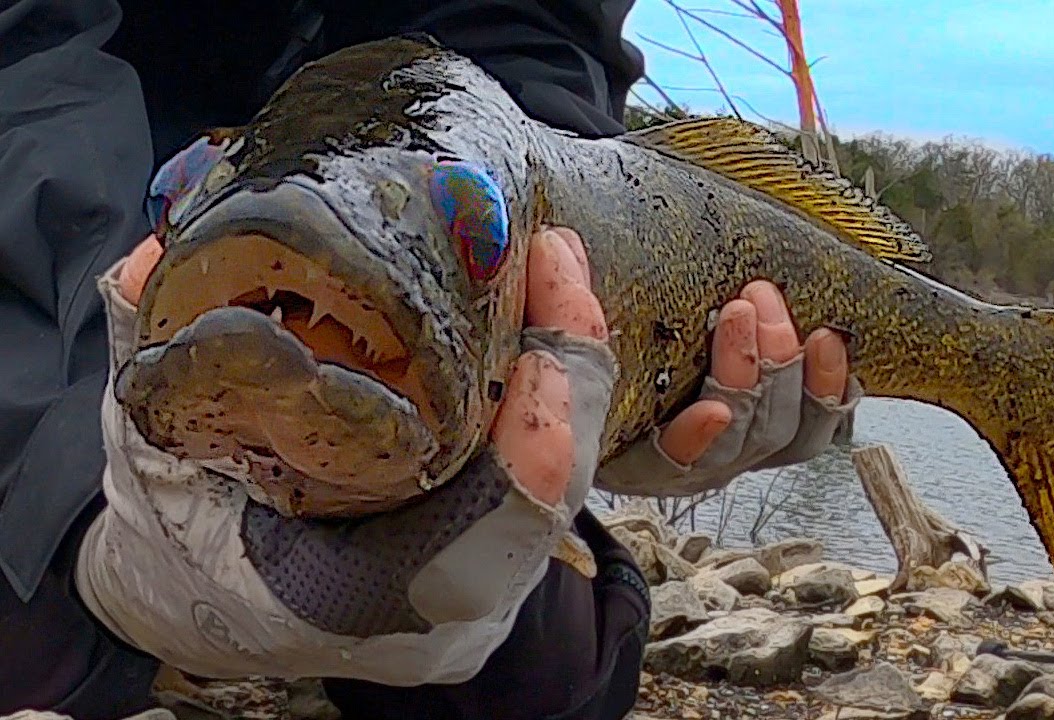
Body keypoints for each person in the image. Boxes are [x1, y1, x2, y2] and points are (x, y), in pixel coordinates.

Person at [0, 2, 862, 719]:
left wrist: (608, 374)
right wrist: (80, 490)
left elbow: (529, 37)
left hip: (400, 193)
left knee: (537, 678)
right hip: (69, 198)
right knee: (31, 634)